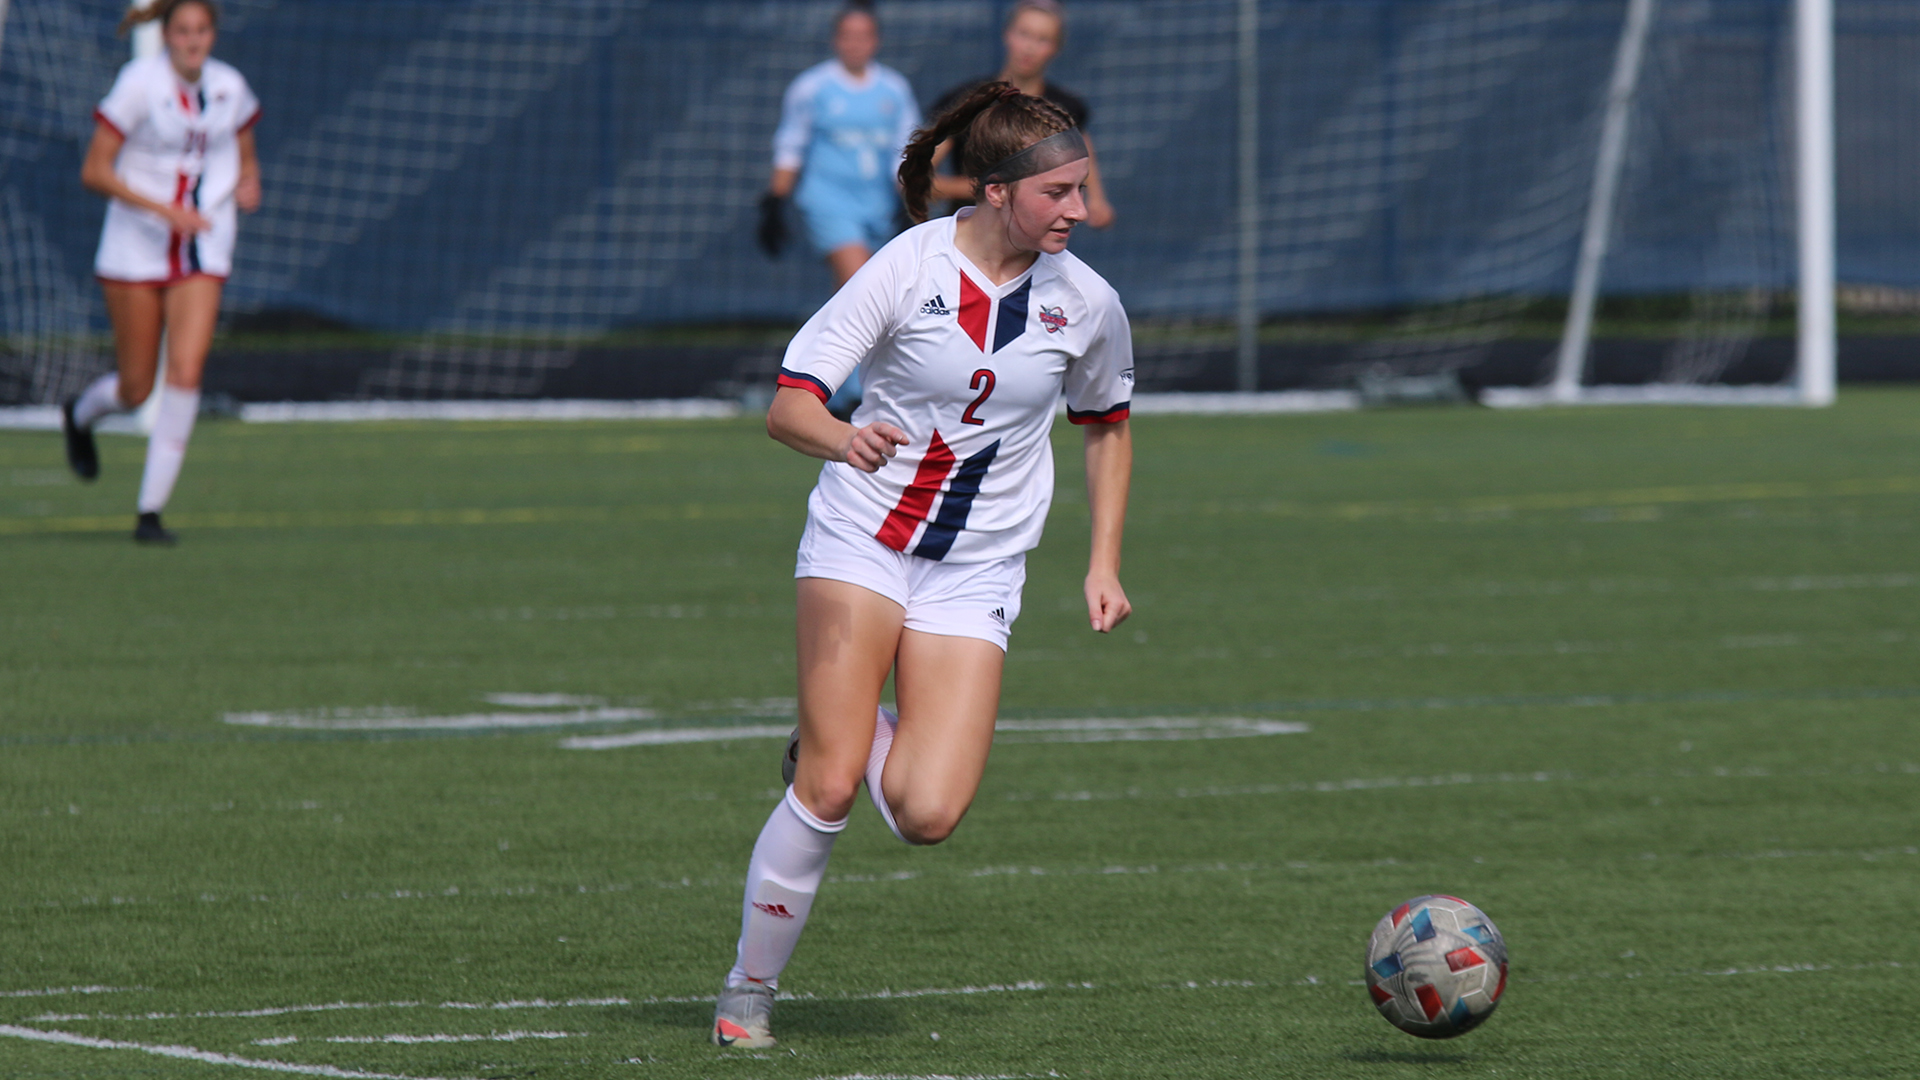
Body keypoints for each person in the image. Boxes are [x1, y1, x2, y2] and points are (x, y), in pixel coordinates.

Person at [711, 81, 1134, 1050]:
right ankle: (747, 995)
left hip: (976, 571)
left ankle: (856, 730)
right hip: (862, 541)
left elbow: (1107, 427)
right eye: (1057, 194)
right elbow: (789, 406)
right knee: (823, 791)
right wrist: (840, 438)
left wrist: (1101, 561)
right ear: (994, 191)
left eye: (1079, 191)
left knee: (928, 813)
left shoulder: (1089, 303)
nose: (1076, 210)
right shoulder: (908, 268)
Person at [60, 0, 260, 544]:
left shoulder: (229, 87)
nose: (192, 41)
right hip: (135, 247)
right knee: (135, 387)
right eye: (182, 31)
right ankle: (79, 414)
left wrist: (248, 182)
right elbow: (94, 170)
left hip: (204, 244)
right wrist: (162, 209)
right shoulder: (139, 84)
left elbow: (244, 150)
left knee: (188, 371)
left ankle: (150, 513)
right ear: (166, 35)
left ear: (213, 35)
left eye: (201, 31)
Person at [761, 1, 921, 418]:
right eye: (847, 36)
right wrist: (776, 200)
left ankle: (865, 385)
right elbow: (791, 144)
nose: (855, 44)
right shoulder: (812, 88)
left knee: (876, 297)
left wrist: (908, 198)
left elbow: (903, 152)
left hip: (879, 206)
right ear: (836, 40)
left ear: (876, 41)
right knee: (859, 285)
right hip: (829, 201)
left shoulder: (894, 89)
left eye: (863, 36)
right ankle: (845, 393)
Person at [928, 0, 1115, 229]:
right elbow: (920, 178)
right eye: (1024, 34)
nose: (1030, 47)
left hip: (1035, 240)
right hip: (972, 235)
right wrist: (992, 188)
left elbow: (1086, 172)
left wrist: (1096, 202)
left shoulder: (1066, 110)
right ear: (1007, 34)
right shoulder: (967, 102)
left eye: (1042, 39)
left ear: (1056, 47)